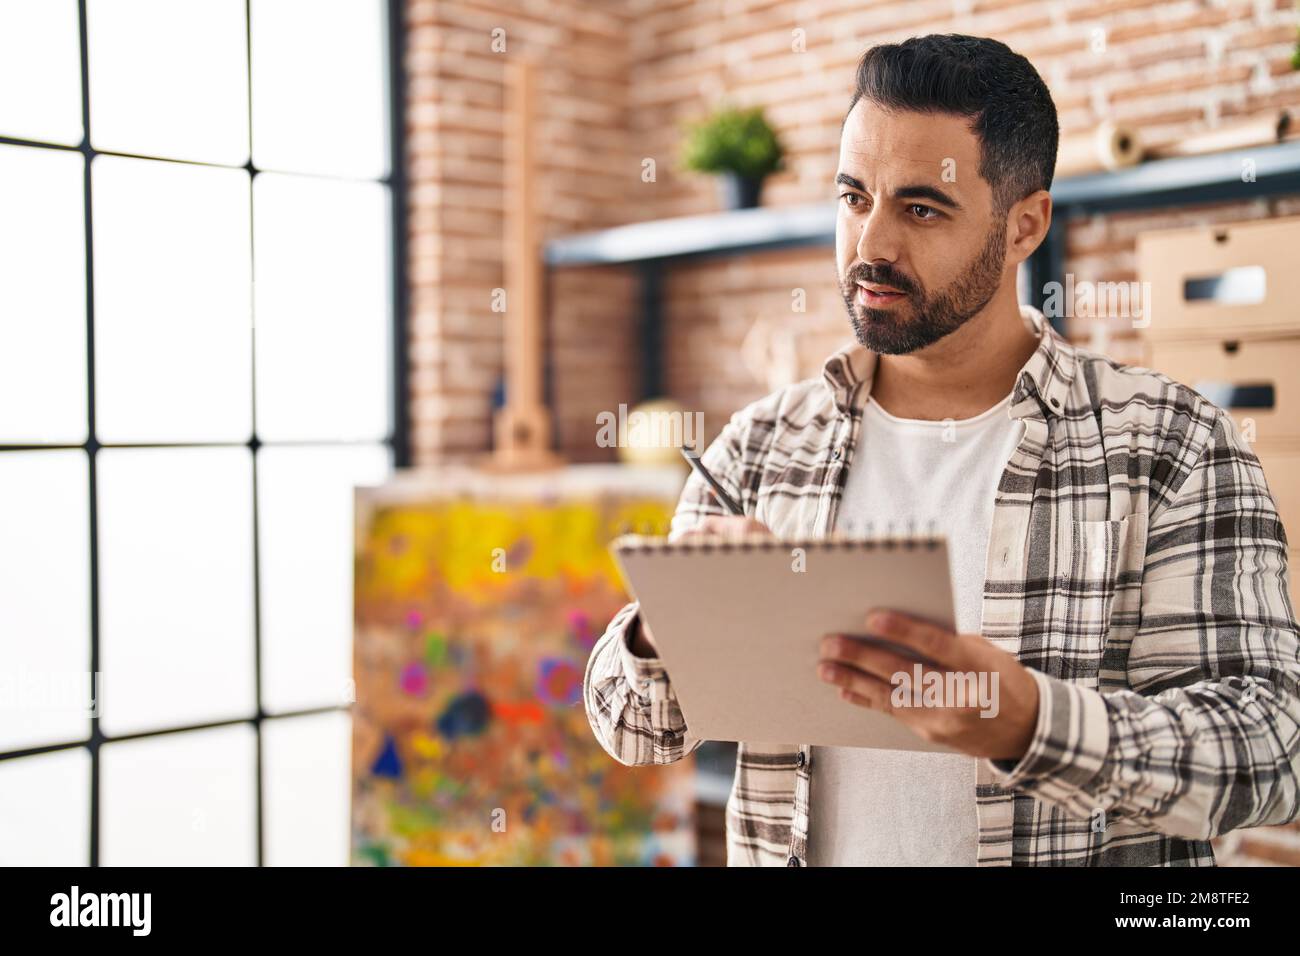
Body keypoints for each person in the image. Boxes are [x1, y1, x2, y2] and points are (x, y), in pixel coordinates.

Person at [583, 33, 1300, 866]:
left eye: (921, 208)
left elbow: (1271, 753)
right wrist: (665, 629)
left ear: (1026, 224)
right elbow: (633, 732)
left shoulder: (1172, 445)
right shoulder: (759, 448)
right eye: (854, 198)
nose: (871, 246)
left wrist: (1032, 722)